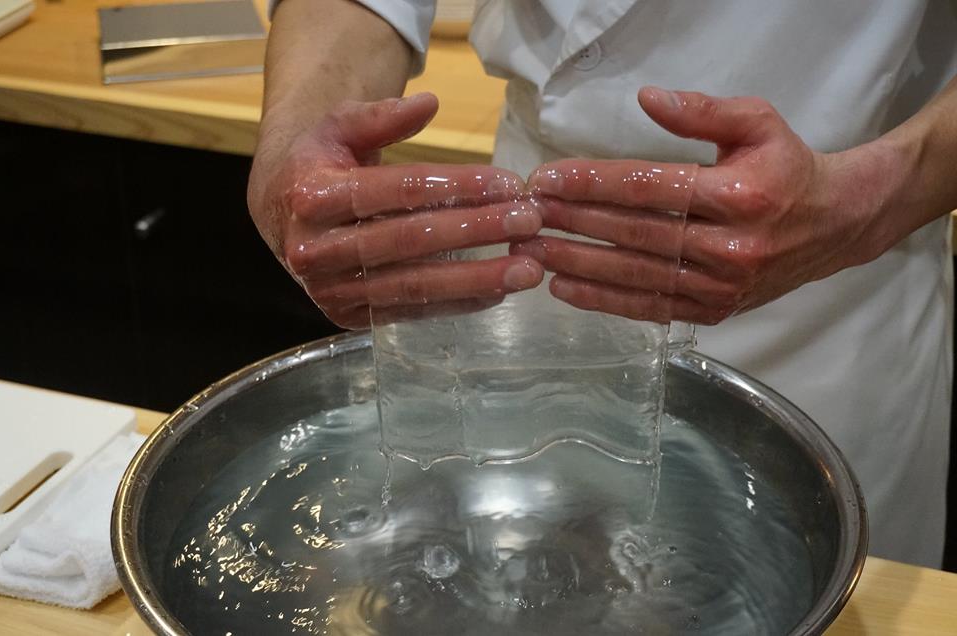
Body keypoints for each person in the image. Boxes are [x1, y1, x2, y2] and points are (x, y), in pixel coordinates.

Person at [247, 0, 957, 568]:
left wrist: (868, 202)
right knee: (498, 570)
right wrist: (293, 140)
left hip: (831, 278)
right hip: (527, 246)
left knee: (780, 571)